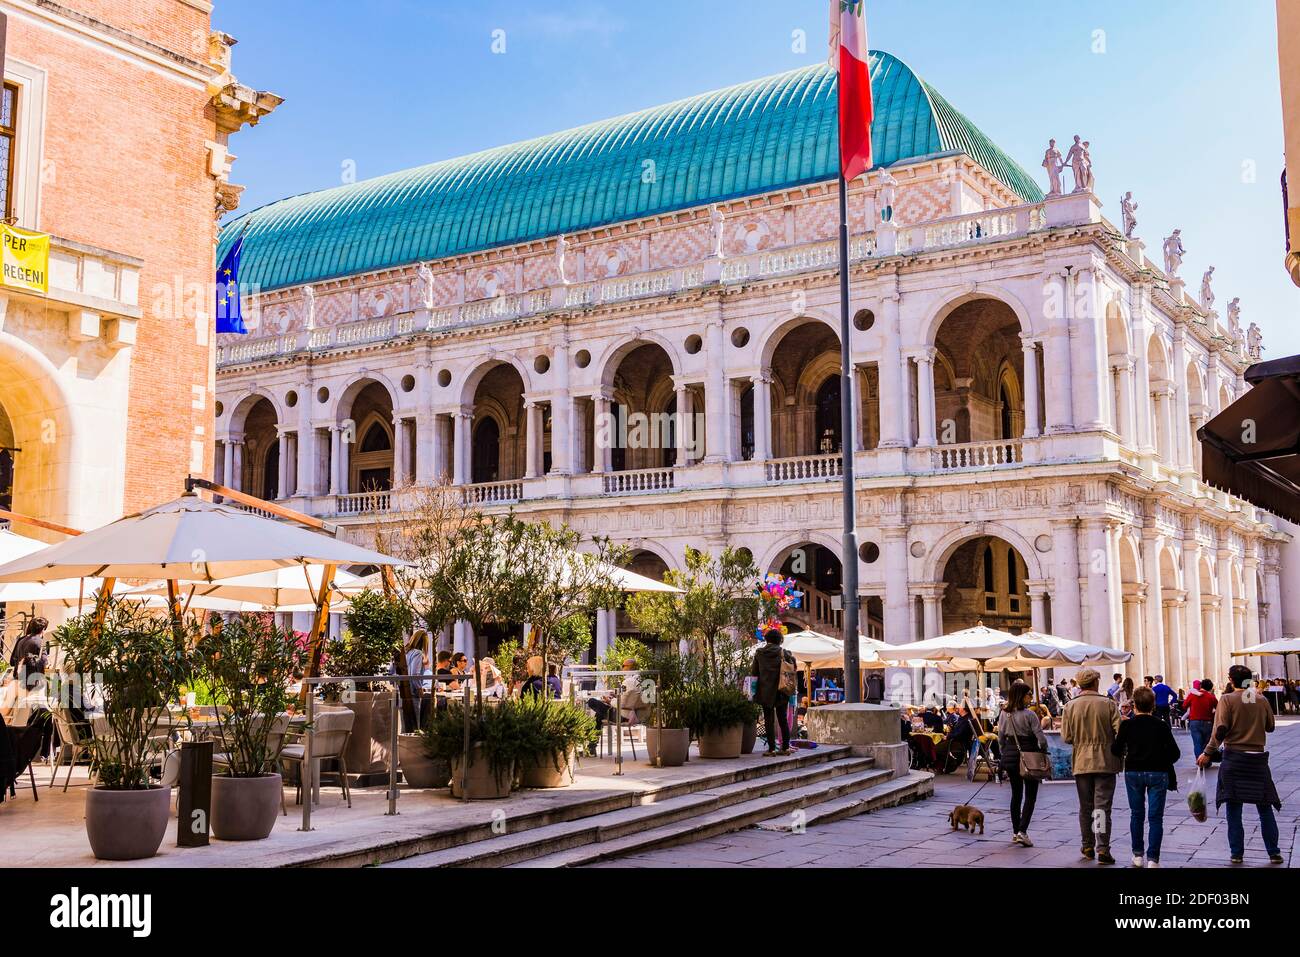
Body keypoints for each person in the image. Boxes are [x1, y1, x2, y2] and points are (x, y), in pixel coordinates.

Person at [1196, 664, 1283, 865]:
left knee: (1234, 808)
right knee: (1265, 806)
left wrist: (1207, 753)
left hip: (1234, 758)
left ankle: (1237, 853)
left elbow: (1219, 731)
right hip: (1257, 759)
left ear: (1231, 680)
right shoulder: (1261, 699)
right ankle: (1274, 852)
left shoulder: (1226, 700)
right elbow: (1270, 727)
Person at [1112, 685, 1180, 868]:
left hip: (1134, 771)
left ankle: (1137, 855)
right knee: (1156, 817)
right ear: (1153, 705)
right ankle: (1153, 859)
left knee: (1136, 814)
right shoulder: (1162, 725)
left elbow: (1115, 749)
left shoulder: (1127, 725)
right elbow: (1175, 753)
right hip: (1158, 772)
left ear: (1134, 706)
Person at [1061, 667, 1122, 865]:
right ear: (1095, 682)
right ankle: (1102, 847)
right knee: (1102, 808)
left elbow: (1067, 737)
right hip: (1105, 761)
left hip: (1081, 761)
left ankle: (1087, 845)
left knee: (1085, 807)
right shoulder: (1108, 704)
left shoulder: (1070, 706)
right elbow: (1120, 732)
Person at [997, 680, 1048, 847]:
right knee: (1031, 796)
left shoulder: (1005, 714)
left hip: (1011, 756)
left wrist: (1006, 752)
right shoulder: (1030, 715)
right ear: (1021, 696)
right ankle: (1022, 831)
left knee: (1016, 794)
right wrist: (1044, 750)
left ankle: (1014, 831)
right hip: (1029, 756)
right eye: (1029, 694)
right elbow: (1041, 739)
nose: (1031, 697)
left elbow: (1001, 738)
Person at [751, 628, 795, 756]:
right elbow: (793, 668)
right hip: (782, 690)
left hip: (765, 690)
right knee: (782, 719)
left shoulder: (759, 653)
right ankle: (785, 747)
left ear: (766, 639)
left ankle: (771, 749)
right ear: (779, 640)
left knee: (768, 720)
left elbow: (754, 672)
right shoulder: (785, 653)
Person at [1183, 679, 1217, 759]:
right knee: (1206, 743)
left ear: (1201, 686)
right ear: (1210, 688)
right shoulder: (1211, 697)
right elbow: (1218, 708)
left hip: (1194, 721)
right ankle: (1206, 760)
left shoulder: (1193, 695)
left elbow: (1184, 705)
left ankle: (1199, 761)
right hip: (1207, 722)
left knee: (1197, 743)